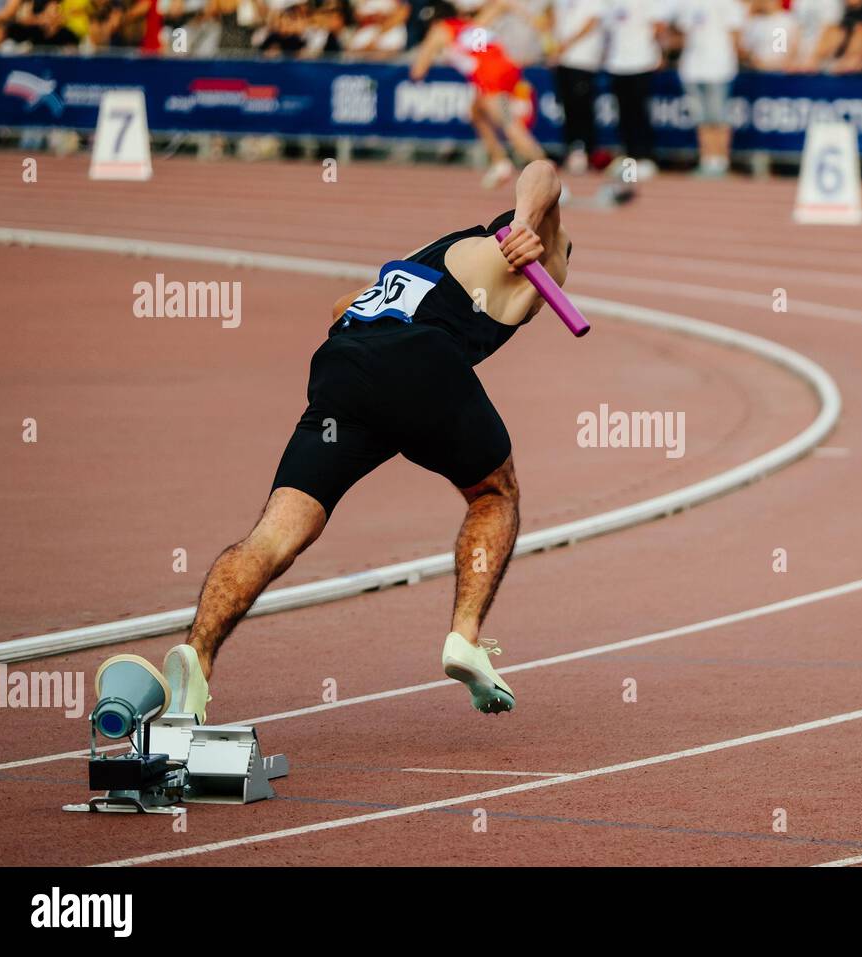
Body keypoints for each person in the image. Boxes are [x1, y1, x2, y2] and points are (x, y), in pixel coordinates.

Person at [163, 161, 575, 722]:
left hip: (345, 368)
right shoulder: (530, 255)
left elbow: (340, 309)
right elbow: (544, 171)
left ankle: (198, 656)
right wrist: (530, 222)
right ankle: (465, 637)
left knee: (274, 535)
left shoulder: (433, 255)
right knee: (493, 495)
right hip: (420, 364)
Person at [410, 0, 548, 189]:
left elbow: (418, 71)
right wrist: (530, 17)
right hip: (507, 70)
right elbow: (502, 4)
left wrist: (437, 54)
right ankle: (500, 162)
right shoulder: (471, 26)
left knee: (509, 124)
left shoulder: (440, 29)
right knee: (475, 112)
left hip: (492, 79)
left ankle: (548, 172)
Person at [658, 0, 746, 177]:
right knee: (700, 117)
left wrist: (741, 58)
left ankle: (721, 160)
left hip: (719, 67)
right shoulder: (687, 4)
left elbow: (736, 35)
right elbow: (680, 34)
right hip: (692, 68)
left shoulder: (730, 4)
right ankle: (707, 159)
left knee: (718, 116)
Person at [543, 0, 605, 175]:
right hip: (563, 60)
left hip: (583, 60)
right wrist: (552, 46)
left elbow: (592, 22)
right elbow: (552, 20)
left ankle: (587, 150)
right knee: (568, 107)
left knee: (582, 107)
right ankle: (571, 149)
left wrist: (567, 43)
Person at [603, 0, 662, 177]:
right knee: (623, 114)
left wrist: (657, 51)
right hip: (617, 63)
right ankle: (630, 158)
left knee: (639, 113)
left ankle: (645, 157)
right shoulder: (611, 4)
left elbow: (659, 25)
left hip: (641, 62)